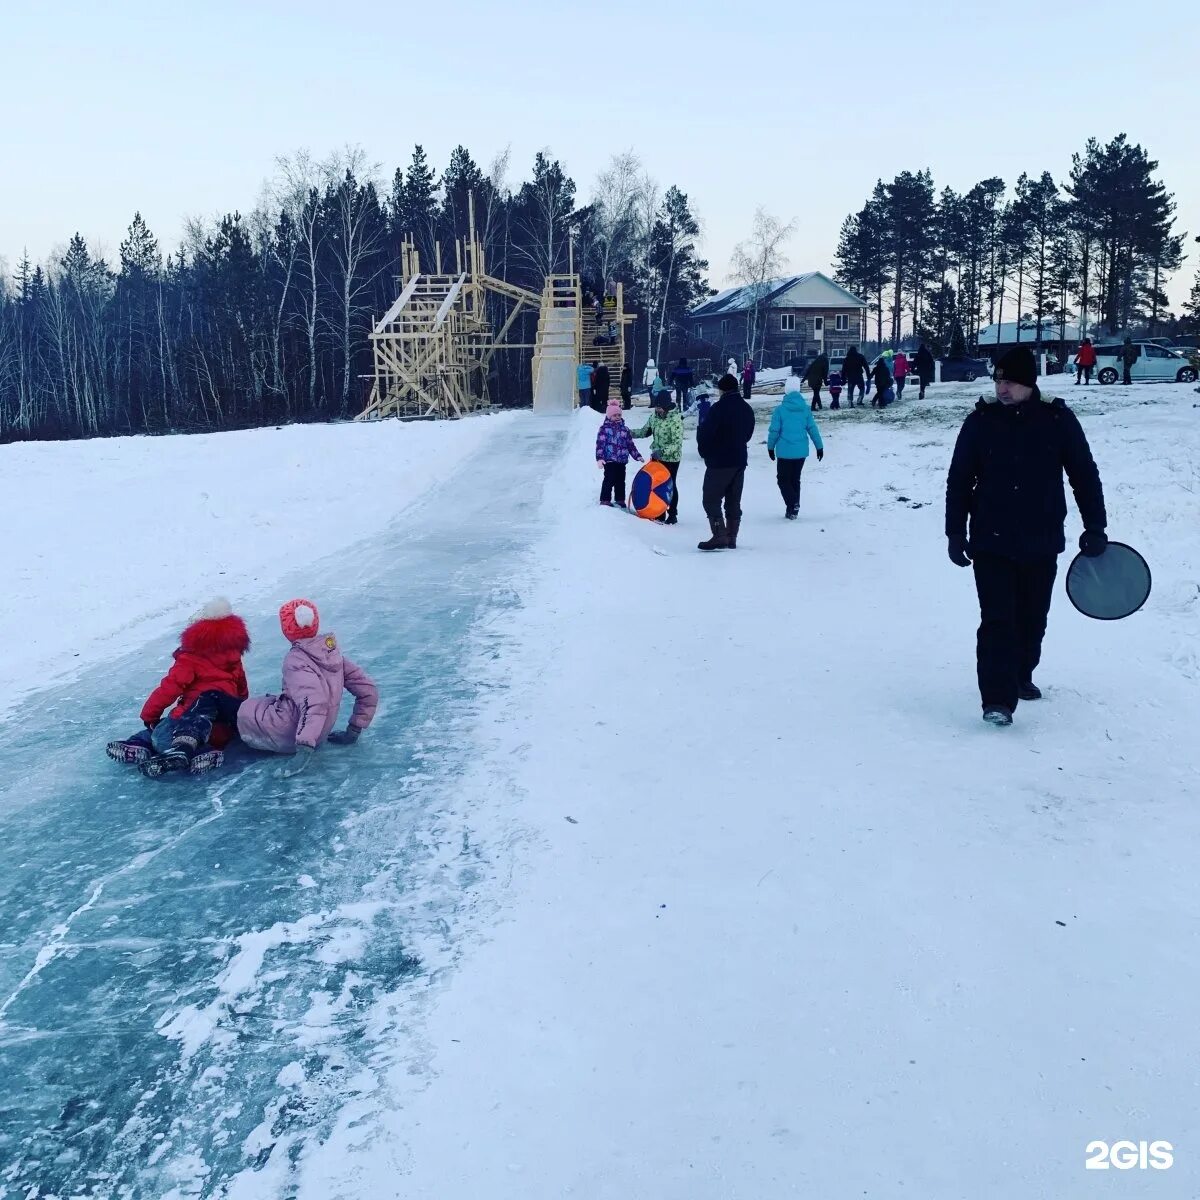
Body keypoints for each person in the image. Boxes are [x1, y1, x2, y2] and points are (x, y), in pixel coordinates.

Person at [945, 346, 1107, 727]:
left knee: (1033, 618)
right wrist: (954, 531)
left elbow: (1083, 473)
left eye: (1010, 382)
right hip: (991, 539)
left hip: (1041, 538)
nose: (1002, 389)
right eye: (998, 380)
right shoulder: (980, 421)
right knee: (998, 619)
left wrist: (1095, 526)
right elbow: (959, 479)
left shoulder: (1057, 419)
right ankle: (997, 699)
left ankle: (1020, 674)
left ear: (1029, 383)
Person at [106, 598, 251, 777]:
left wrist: (150, 715)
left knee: (158, 732)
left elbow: (169, 689)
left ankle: (140, 745)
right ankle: (205, 751)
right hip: (222, 728)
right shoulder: (234, 658)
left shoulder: (190, 659)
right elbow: (242, 691)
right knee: (193, 732)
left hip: (188, 722)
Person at [237, 599, 379, 777]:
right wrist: (353, 731)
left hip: (292, 735)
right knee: (265, 702)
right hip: (317, 732)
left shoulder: (296, 660)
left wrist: (303, 751)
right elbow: (368, 690)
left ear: (287, 629)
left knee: (243, 709)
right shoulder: (332, 655)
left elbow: (315, 703)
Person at [695, 374, 755, 551]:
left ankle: (720, 534)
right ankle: (731, 537)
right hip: (739, 460)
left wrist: (705, 452)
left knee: (710, 499)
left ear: (722, 389)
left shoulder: (718, 409)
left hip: (720, 462)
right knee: (733, 500)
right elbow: (748, 434)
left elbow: (706, 434)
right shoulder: (746, 408)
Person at [767, 376, 824, 519]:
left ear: (786, 391)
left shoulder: (780, 410)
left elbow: (774, 431)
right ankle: (792, 510)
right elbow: (813, 429)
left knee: (782, 480)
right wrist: (819, 447)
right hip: (800, 453)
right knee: (794, 479)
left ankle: (793, 503)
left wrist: (770, 447)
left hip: (785, 452)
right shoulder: (805, 409)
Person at [630, 394, 684, 524]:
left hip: (671, 459)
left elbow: (677, 444)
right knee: (654, 485)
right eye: (657, 407)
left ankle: (672, 513)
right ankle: (659, 512)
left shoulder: (675, 419)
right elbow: (644, 432)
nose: (657, 410)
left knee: (668, 485)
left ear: (666, 406)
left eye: (660, 407)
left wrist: (663, 451)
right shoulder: (654, 417)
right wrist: (628, 433)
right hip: (657, 457)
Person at [595, 399, 644, 507]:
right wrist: (599, 458)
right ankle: (605, 499)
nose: (617, 417)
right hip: (610, 459)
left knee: (621, 480)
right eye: (614, 415)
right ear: (609, 416)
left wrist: (637, 456)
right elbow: (600, 444)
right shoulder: (604, 429)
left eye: (619, 415)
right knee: (609, 479)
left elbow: (630, 444)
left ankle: (620, 499)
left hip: (621, 460)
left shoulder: (624, 429)